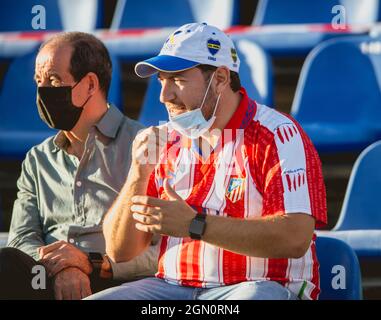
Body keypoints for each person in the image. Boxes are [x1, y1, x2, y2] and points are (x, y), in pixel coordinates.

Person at [88, 23, 327, 301]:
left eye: (177, 79)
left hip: (260, 285)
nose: (164, 96)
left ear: (221, 78)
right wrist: (138, 173)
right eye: (162, 81)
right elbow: (119, 250)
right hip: (173, 288)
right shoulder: (166, 140)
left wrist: (195, 225)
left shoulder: (278, 134)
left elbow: (295, 237)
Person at [0, 32, 158, 300]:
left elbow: (164, 248)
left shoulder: (143, 146)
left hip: (118, 282)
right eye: (38, 81)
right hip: (48, 280)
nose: (42, 92)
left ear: (90, 84)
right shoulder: (37, 159)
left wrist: (93, 264)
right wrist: (62, 267)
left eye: (53, 80)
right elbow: (21, 237)